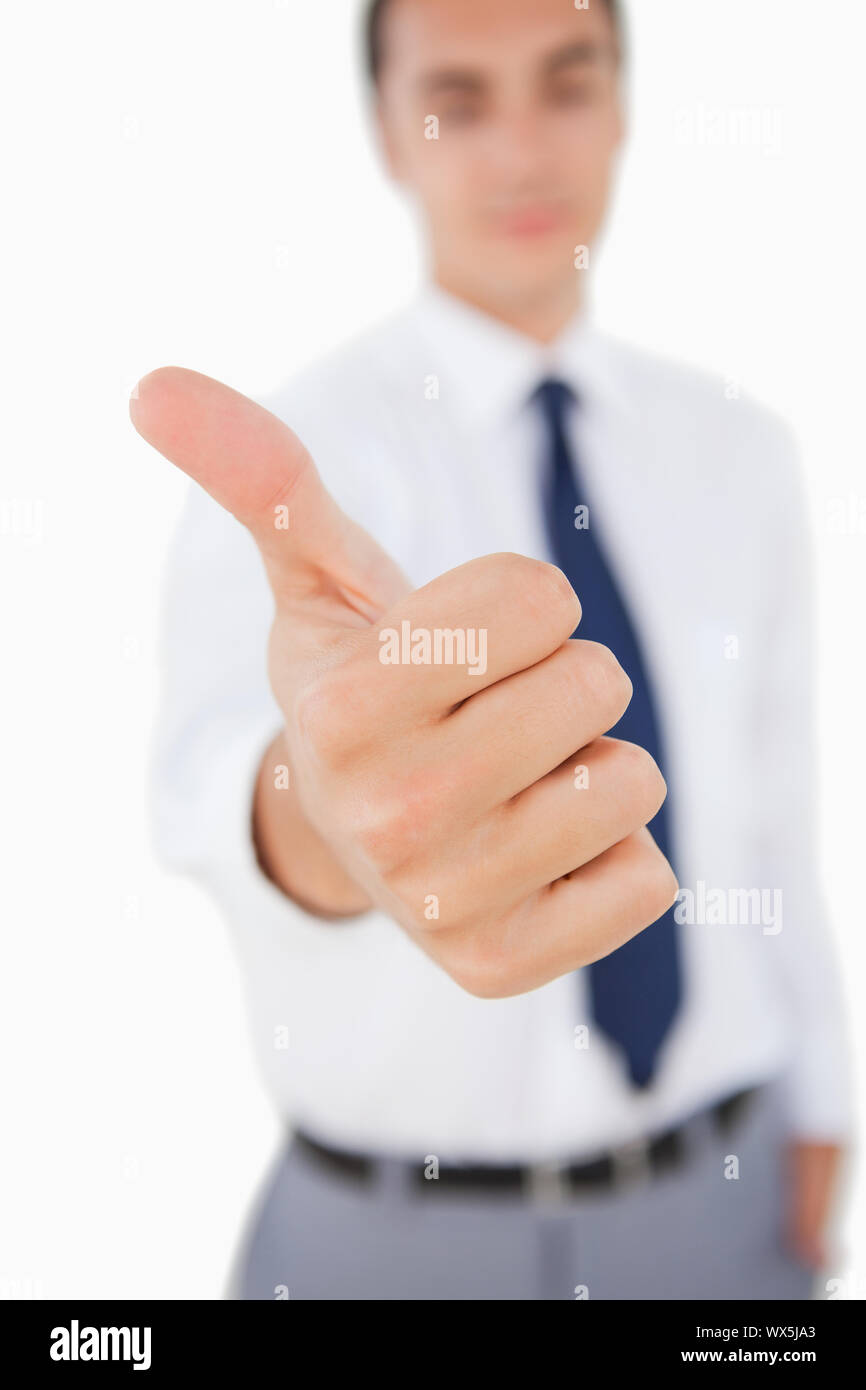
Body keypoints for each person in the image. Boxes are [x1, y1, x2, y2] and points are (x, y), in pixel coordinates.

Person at [132, 0, 851, 1300]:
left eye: (564, 86)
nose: (521, 151)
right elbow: (203, 787)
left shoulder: (740, 452)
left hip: (719, 1212)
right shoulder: (300, 465)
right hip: (388, 1245)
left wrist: (822, 1103)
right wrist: (325, 816)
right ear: (388, 138)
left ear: (624, 107)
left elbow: (773, 819)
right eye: (458, 103)